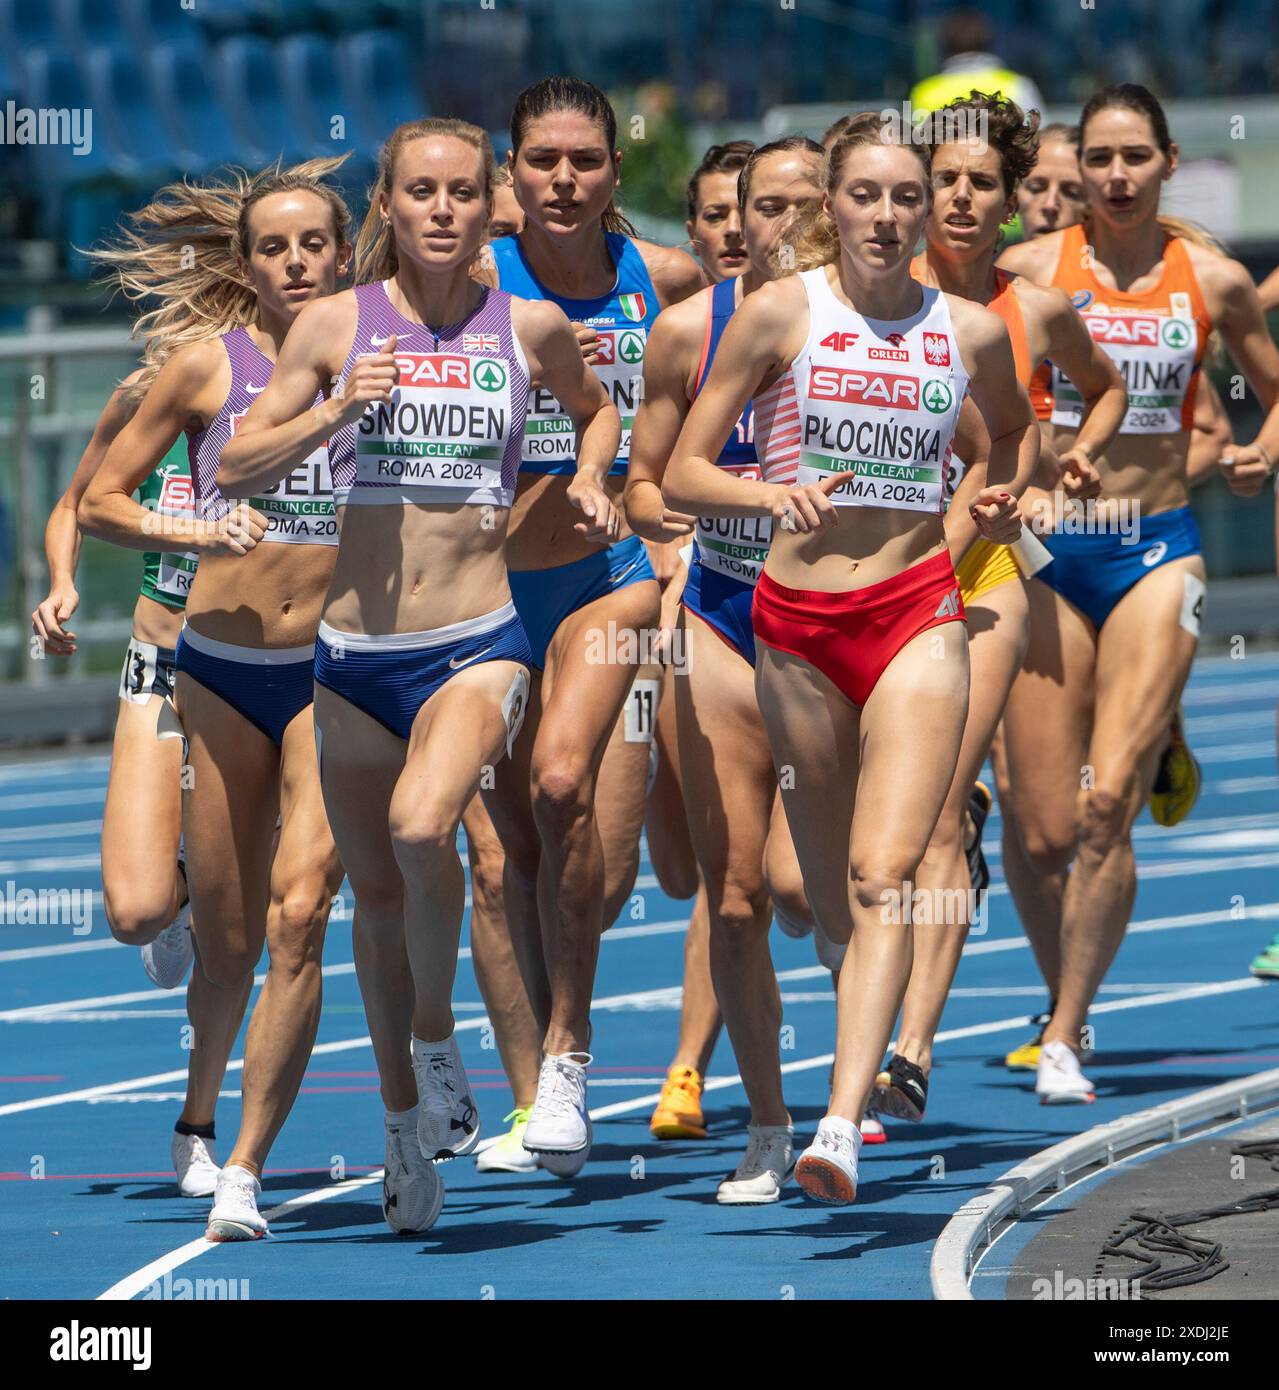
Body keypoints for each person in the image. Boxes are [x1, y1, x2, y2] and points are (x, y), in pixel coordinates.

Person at [219, 116, 619, 1221]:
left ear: (485, 201)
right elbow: (236, 461)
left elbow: (601, 412)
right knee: (381, 907)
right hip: (350, 658)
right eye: (419, 192)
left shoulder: (528, 326)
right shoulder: (335, 325)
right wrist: (337, 408)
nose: (441, 209)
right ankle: (406, 1128)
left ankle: (441, 1043)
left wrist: (591, 478)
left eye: (458, 191)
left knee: (418, 824)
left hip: (476, 643)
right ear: (385, 209)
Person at [664, 112, 1035, 1203]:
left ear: (928, 214)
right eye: (863, 196)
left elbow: (1007, 435)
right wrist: (761, 490)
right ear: (832, 205)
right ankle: (847, 1013)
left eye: (904, 199)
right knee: (822, 901)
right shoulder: (782, 312)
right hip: (795, 627)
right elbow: (685, 470)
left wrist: (987, 506)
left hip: (917, 613)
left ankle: (836, 1120)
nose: (884, 215)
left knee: (884, 874)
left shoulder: (965, 330)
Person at [80, 158, 353, 1239]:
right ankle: (196, 1119)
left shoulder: (383, 362)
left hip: (340, 671)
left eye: (313, 245)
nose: (295, 263)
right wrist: (194, 530)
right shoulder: (204, 369)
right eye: (273, 248)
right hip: (220, 668)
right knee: (217, 930)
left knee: (305, 909)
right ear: (245, 267)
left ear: (345, 254)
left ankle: (265, 1152)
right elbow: (98, 499)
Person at [997, 84, 1279, 1103]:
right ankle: (1059, 990)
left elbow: (1271, 386)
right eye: (1098, 162)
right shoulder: (1027, 272)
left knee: (1106, 799)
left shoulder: (1209, 278)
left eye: (1132, 159)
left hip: (1156, 550)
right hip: (1047, 557)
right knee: (1039, 831)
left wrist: (1255, 452)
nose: (1113, 178)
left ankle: (1066, 1032)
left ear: (1166, 163)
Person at [872, 92, 1124, 1123]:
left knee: (958, 808)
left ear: (1016, 197)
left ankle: (912, 1047)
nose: (964, 201)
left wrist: (1072, 459)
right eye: (947, 182)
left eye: (986, 183)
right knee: (830, 864)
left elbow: (1102, 387)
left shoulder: (1036, 306)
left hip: (988, 569)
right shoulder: (879, 295)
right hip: (872, 572)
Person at [479, 76, 703, 1173]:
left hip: (606, 580)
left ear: (616, 170)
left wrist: (674, 515)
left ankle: (569, 1055)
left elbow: (730, 393)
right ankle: (515, 1092)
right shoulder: (472, 277)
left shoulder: (661, 277)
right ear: (509, 173)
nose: (561, 181)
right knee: (506, 854)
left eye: (583, 161)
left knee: (573, 810)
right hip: (475, 596)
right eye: (540, 163)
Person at [630, 137, 825, 1192]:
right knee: (735, 892)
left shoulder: (874, 328)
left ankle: (853, 1080)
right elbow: (647, 486)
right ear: (732, 220)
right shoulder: (683, 334)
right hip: (719, 610)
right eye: (760, 209)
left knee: (807, 885)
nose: (776, 227)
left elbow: (984, 437)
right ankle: (768, 1123)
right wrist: (681, 528)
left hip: (838, 617)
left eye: (801, 206)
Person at [33, 382, 251, 1200]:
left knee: (242, 933)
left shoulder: (318, 379)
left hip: (262, 675)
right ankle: (188, 883)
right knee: (134, 912)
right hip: (160, 667)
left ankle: (197, 1127)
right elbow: (76, 503)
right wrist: (62, 584)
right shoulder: (145, 394)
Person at [910, 8, 1044, 119]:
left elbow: (916, 146)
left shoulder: (923, 92)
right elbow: (1035, 136)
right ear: (989, 43)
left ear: (943, 47)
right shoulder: (1018, 86)